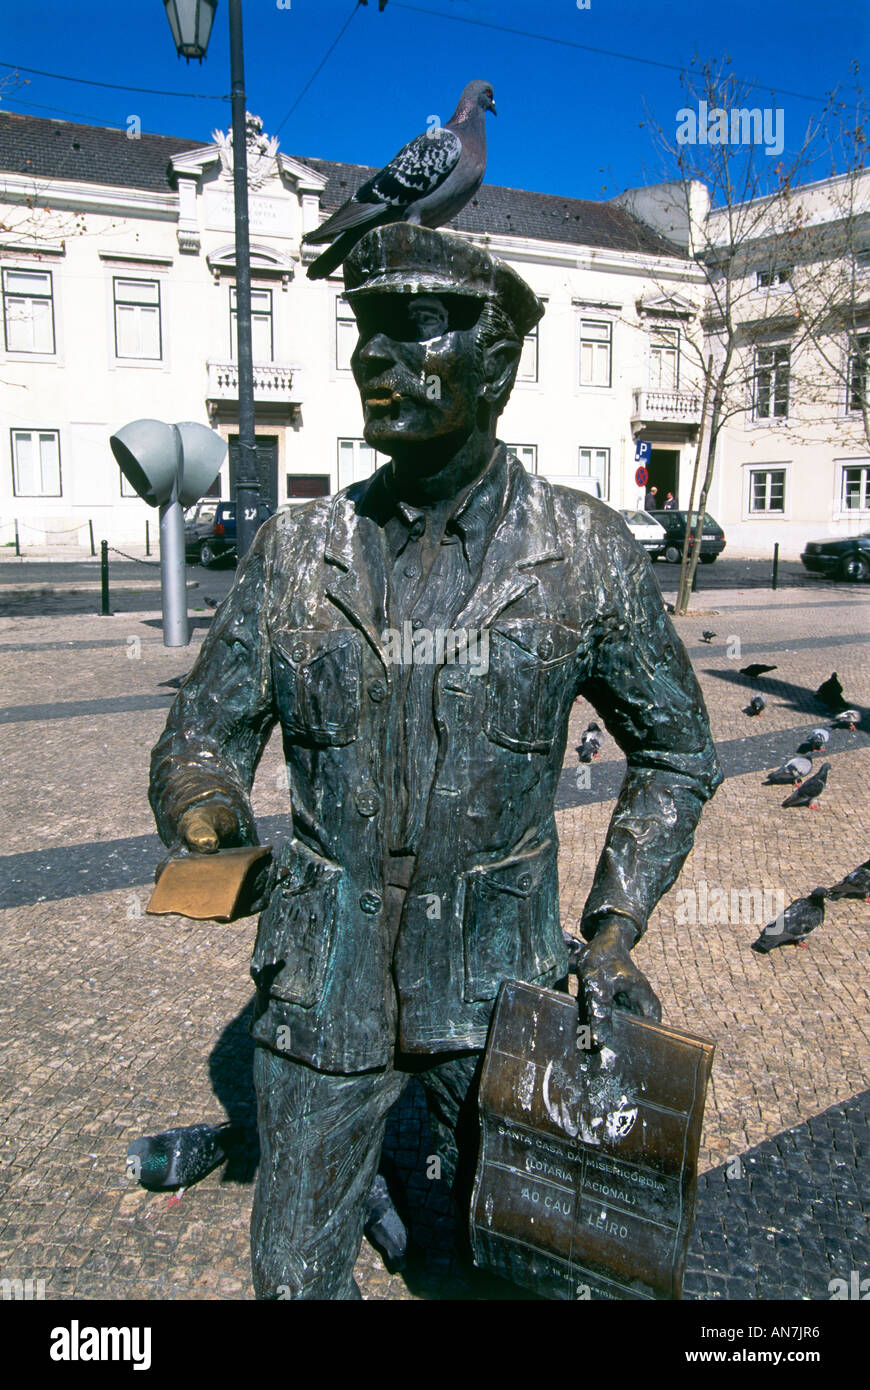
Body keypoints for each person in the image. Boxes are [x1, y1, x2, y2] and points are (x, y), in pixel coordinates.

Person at [148, 224, 723, 1300]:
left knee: (501, 1268)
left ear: (496, 363)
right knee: (293, 1275)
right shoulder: (294, 551)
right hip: (323, 983)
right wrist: (207, 815)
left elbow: (679, 750)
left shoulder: (584, 550)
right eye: (367, 332)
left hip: (501, 981)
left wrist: (612, 928)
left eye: (417, 331)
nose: (378, 358)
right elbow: (198, 736)